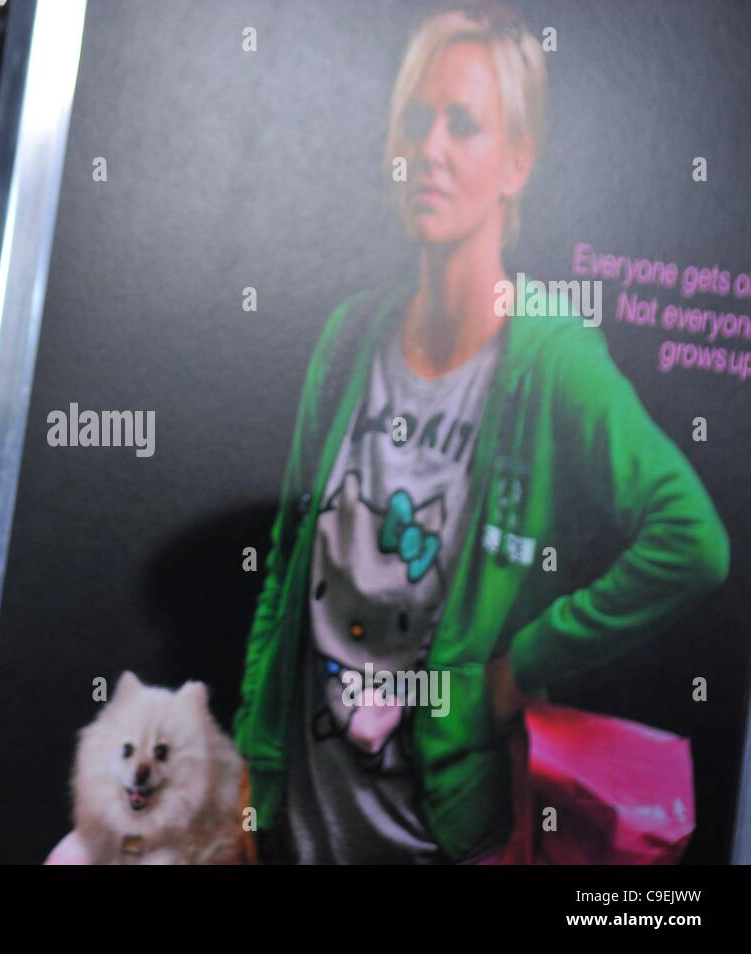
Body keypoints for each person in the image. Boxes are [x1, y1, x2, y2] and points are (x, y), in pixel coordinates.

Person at [232, 1, 729, 864]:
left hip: (445, 836)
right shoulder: (350, 336)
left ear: (516, 163)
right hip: (299, 831)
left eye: (463, 126)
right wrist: (252, 758)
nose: (429, 150)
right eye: (416, 122)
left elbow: (693, 542)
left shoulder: (550, 357)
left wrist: (513, 671)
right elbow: (286, 564)